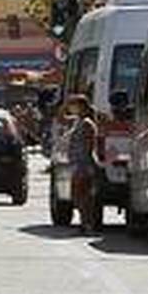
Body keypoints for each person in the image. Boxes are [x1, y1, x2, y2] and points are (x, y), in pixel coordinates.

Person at [64, 94, 100, 233]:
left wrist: (85, 166)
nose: (71, 107)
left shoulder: (87, 124)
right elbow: (61, 117)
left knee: (83, 196)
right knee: (78, 196)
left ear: (81, 106)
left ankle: (87, 224)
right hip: (77, 164)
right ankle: (84, 223)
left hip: (84, 165)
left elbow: (89, 147)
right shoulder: (78, 121)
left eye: (73, 104)